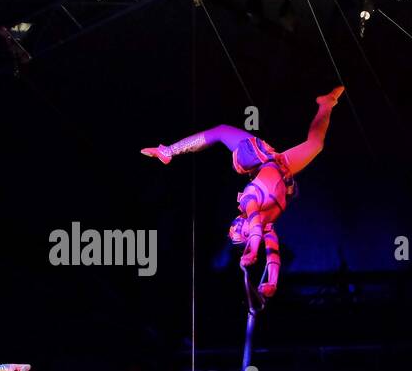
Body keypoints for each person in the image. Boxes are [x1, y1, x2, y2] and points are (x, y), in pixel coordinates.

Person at [141, 86, 344, 298]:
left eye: (237, 227)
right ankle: (326, 103)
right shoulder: (266, 227)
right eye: (242, 232)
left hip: (257, 159)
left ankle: (169, 151)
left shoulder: (249, 201)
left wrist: (252, 251)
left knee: (220, 131)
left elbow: (254, 224)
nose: (240, 226)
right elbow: (273, 254)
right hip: (282, 164)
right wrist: (271, 283)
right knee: (316, 144)